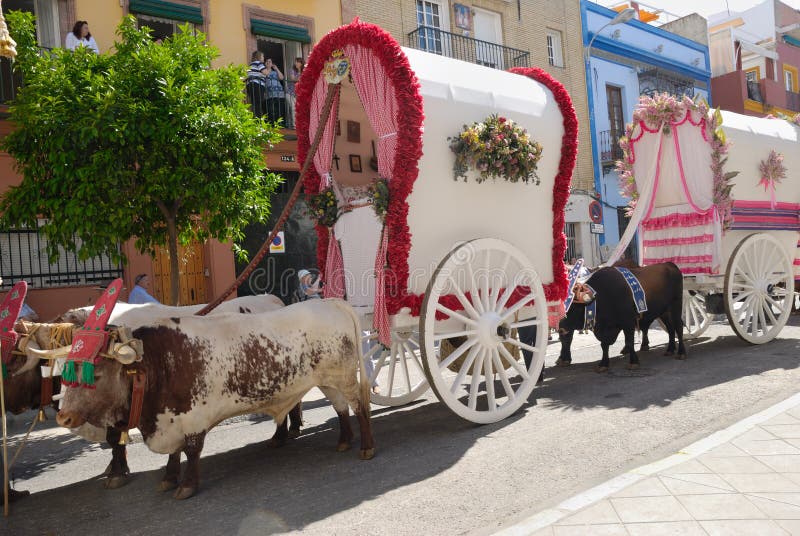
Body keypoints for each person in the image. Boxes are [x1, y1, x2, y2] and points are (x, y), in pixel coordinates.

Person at [285, 57, 304, 128]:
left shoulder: (304, 71)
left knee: (296, 109)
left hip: (297, 94)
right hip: (289, 93)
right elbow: (293, 78)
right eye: (295, 62)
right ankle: (294, 125)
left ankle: (295, 124)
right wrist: (300, 77)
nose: (296, 63)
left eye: (297, 62)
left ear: (301, 63)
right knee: (292, 108)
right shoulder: (293, 70)